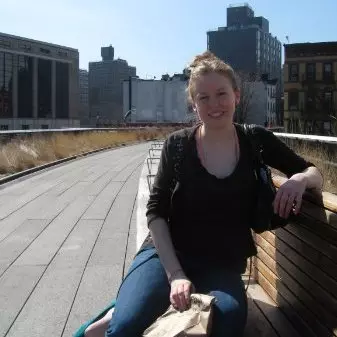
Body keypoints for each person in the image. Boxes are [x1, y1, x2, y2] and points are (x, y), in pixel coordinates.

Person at [80, 51, 323, 337]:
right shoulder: (178, 146)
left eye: (221, 94)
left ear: (236, 96)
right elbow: (156, 212)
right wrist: (176, 275)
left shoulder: (255, 140)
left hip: (222, 264)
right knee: (125, 327)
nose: (214, 104)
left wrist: (298, 180)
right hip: (167, 256)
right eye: (203, 98)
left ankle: (141, 304)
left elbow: (314, 173)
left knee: (228, 322)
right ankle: (124, 309)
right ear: (194, 105)